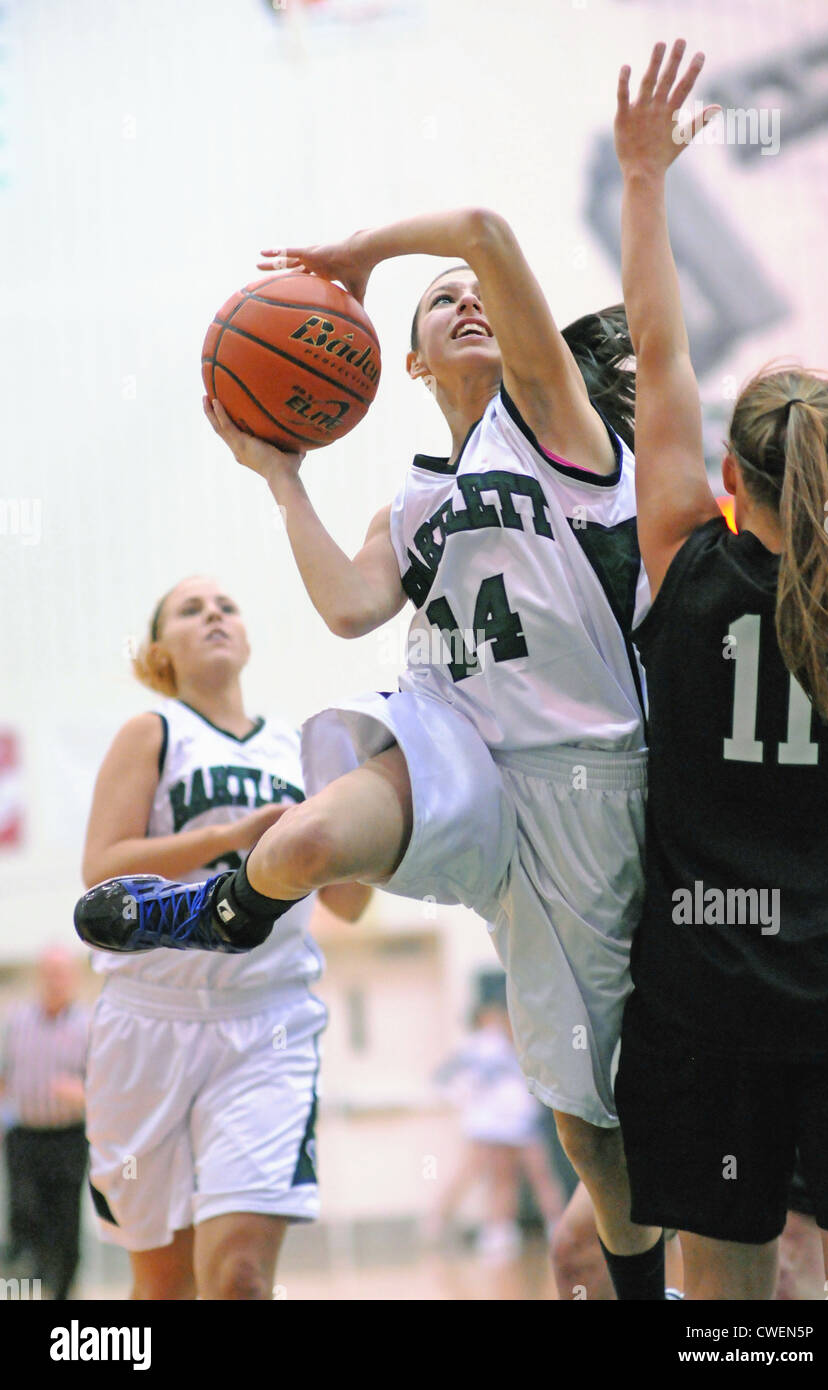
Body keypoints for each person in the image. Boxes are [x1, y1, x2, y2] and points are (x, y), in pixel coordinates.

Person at [76, 213, 666, 1298]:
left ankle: (647, 1294)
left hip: (591, 777)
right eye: (439, 303)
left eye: (471, 292)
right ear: (405, 362)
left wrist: (364, 254)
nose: (466, 300)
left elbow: (486, 230)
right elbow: (351, 609)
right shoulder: (413, 499)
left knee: (591, 1133)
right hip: (457, 746)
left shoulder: (552, 419)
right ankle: (222, 907)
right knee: (303, 835)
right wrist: (278, 474)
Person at [611, 40, 828, 1299]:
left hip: (706, 1001)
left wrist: (643, 179)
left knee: (723, 1306)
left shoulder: (679, 557)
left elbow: (657, 356)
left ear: (730, 473)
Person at [81, 575, 370, 1299]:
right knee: (162, 1288)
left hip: (267, 1022)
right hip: (149, 1019)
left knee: (239, 1277)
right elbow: (100, 872)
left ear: (245, 638)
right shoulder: (153, 731)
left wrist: (377, 804)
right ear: (159, 651)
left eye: (227, 606)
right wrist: (234, 835)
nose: (213, 614)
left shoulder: (300, 748)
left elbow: (350, 906)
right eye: (189, 609)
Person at [428, 999, 565, 1259]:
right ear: (481, 1019)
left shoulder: (518, 1042)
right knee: (494, 1175)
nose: (497, 1020)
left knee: (538, 1173)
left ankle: (553, 1226)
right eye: (491, 1016)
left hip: (522, 1122)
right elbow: (445, 1079)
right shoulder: (477, 1047)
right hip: (491, 1125)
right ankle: (487, 1229)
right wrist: (464, 1099)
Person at [1, 946, 89, 1299]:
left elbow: (107, 1087)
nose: (56, 981)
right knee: (24, 1213)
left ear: (73, 979)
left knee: (65, 1221)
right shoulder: (15, 1023)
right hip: (24, 1136)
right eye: (50, 973)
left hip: (68, 1138)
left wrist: (82, 1093)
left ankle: (63, 1291)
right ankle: (30, 1283)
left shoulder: (88, 1027)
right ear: (40, 977)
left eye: (62, 974)